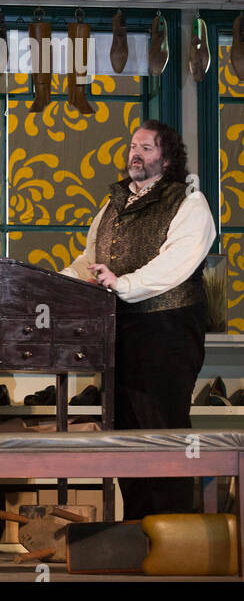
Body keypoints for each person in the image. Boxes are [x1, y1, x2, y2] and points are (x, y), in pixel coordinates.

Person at [61, 121, 216, 520]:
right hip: (119, 329)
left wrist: (125, 284)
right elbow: (88, 259)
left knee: (162, 427)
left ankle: (173, 531)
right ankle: (137, 528)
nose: (136, 154)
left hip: (167, 329)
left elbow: (176, 263)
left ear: (166, 158)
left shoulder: (187, 201)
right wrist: (55, 285)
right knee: (125, 430)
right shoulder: (113, 203)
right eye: (133, 146)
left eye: (147, 148)